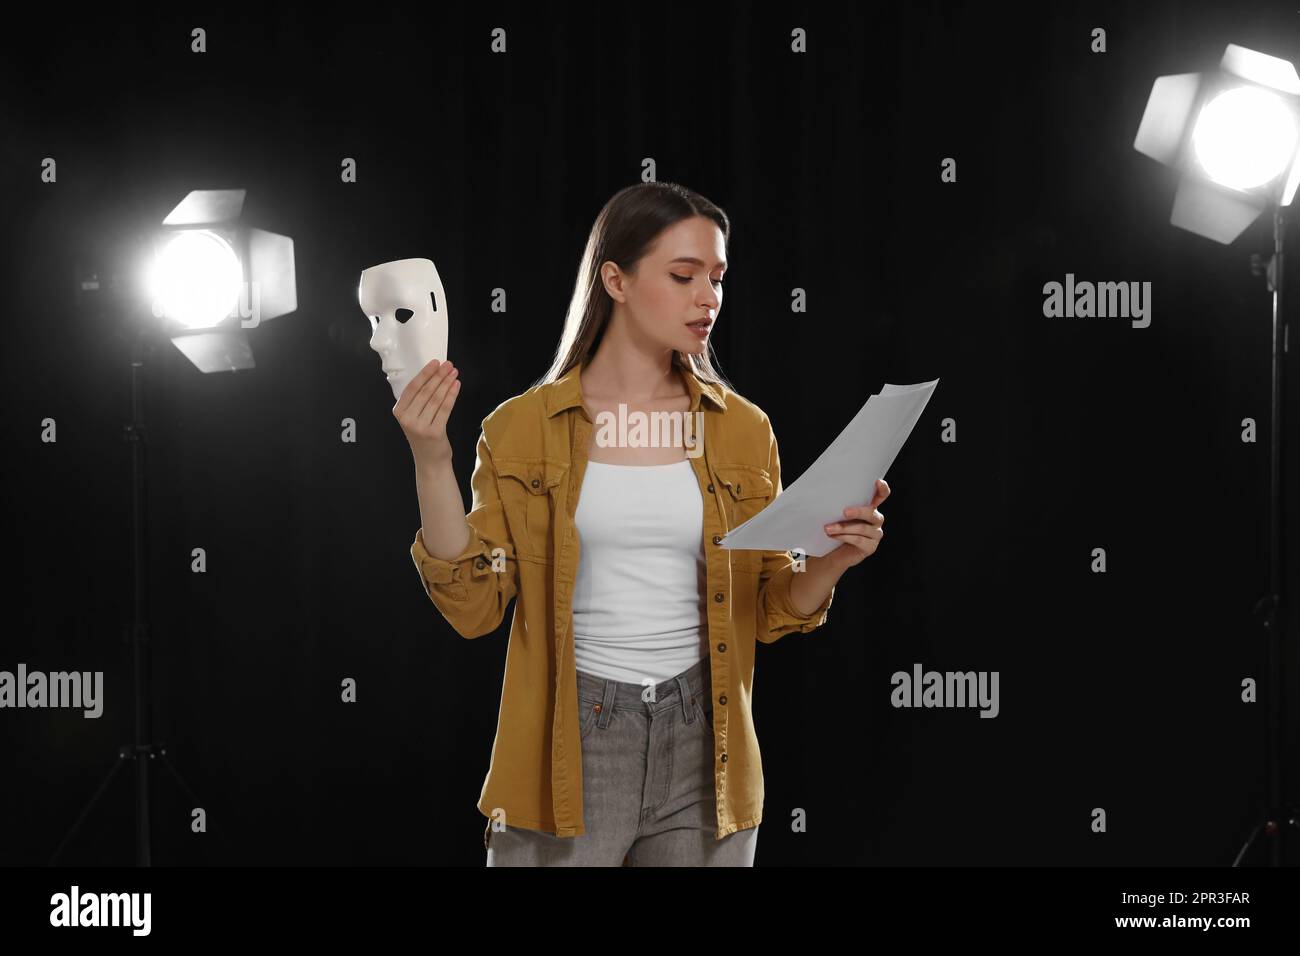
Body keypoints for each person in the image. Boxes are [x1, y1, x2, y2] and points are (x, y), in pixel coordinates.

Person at [394, 181, 889, 866]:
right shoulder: (520, 429)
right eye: (683, 276)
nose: (707, 297)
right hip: (569, 743)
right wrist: (430, 459)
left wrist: (835, 559)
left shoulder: (744, 431)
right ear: (615, 280)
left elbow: (772, 609)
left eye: (717, 278)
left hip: (706, 746)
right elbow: (476, 606)